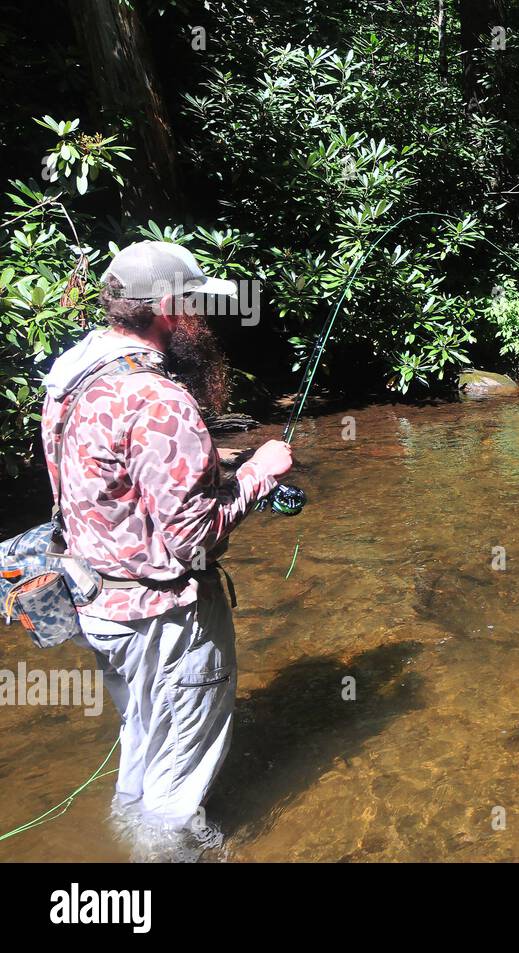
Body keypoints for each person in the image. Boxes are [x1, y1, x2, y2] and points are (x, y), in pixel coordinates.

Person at [40, 240, 293, 860]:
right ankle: (171, 856)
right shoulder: (158, 398)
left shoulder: (76, 373)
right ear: (168, 309)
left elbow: (104, 472)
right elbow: (193, 541)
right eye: (196, 304)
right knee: (180, 765)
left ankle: (129, 838)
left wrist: (209, 458)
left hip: (97, 604)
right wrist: (260, 472)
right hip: (165, 616)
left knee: (144, 736)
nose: (203, 320)